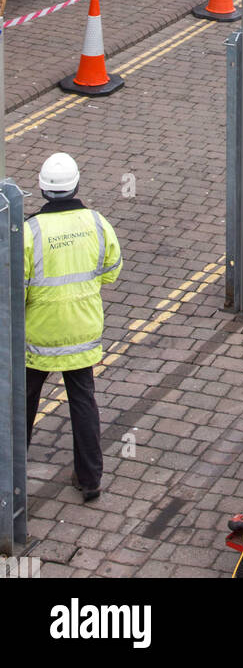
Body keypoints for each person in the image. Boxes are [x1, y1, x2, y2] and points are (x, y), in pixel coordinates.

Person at [24, 153, 123, 502]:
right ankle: (90, 478)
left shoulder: (30, 230)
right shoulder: (96, 222)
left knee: (23, 403)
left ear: (41, 189)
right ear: (77, 185)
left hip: (38, 336)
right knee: (83, 402)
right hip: (81, 331)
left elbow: (15, 288)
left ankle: (12, 478)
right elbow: (112, 269)